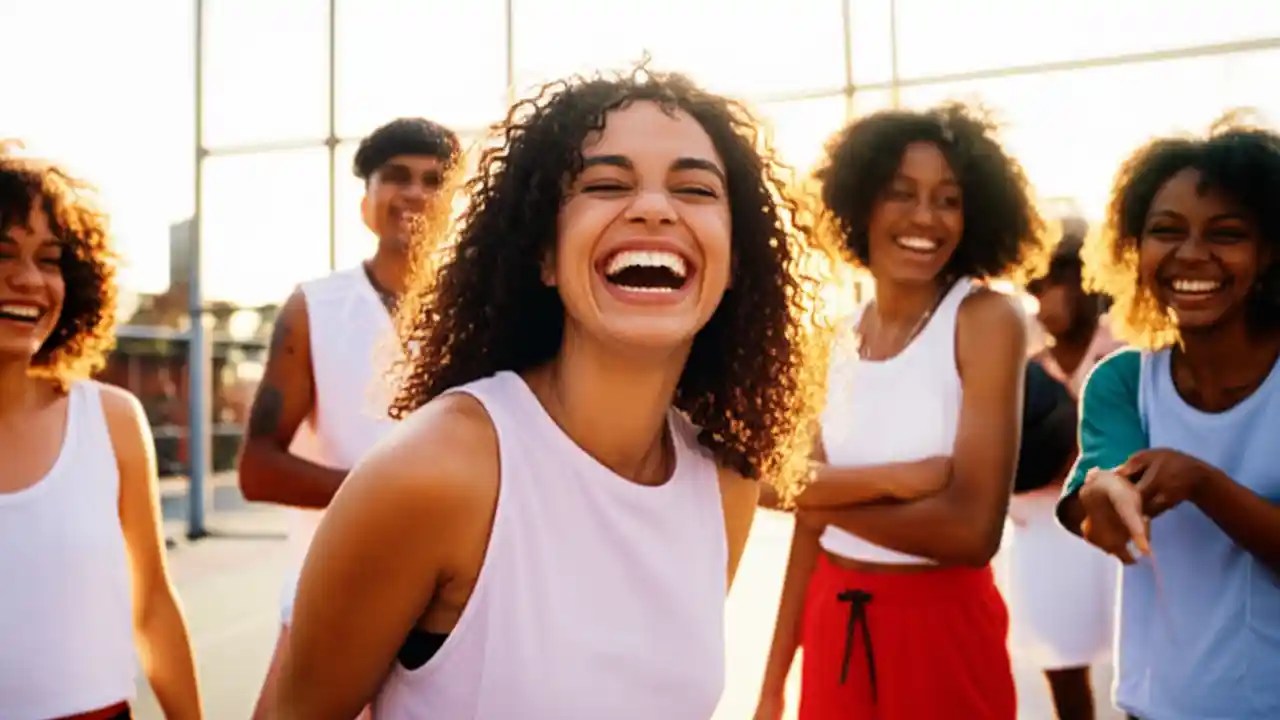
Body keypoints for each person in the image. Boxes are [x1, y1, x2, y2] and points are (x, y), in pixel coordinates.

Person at [276, 65, 825, 718]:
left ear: (736, 261)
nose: (654, 207)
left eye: (695, 188)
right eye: (606, 183)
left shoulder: (724, 484)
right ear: (542, 252)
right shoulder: (434, 474)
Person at [756, 104, 1043, 720]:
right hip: (833, 618)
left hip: (942, 625)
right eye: (900, 193)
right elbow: (797, 517)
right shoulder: (829, 341)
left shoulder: (984, 320)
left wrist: (820, 494)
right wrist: (772, 683)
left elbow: (970, 535)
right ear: (860, 204)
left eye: (949, 199)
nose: (925, 217)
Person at [237, 117, 461, 717]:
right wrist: (380, 498)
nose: (414, 193)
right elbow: (258, 469)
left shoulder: (483, 315)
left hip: (454, 610)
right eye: (396, 177)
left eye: (434, 180)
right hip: (329, 593)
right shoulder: (316, 307)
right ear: (367, 203)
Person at [1057, 121, 1280, 719]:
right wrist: (1102, 499)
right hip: (1154, 708)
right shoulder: (1123, 381)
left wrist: (1202, 482)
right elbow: (1098, 508)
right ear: (1136, 249)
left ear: (1269, 253)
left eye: (1226, 234)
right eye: (1165, 231)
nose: (1191, 254)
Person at [0, 152, 202, 719]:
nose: (28, 280)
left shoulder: (110, 420)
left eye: (50, 260)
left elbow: (153, 604)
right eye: (3, 253)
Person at [1005, 228, 1123, 720]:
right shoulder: (1024, 364)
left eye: (1055, 281)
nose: (1042, 299)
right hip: (1042, 535)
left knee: (1138, 675)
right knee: (1064, 673)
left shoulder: (1128, 357)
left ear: (1090, 282)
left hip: (1114, 536)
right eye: (1034, 286)